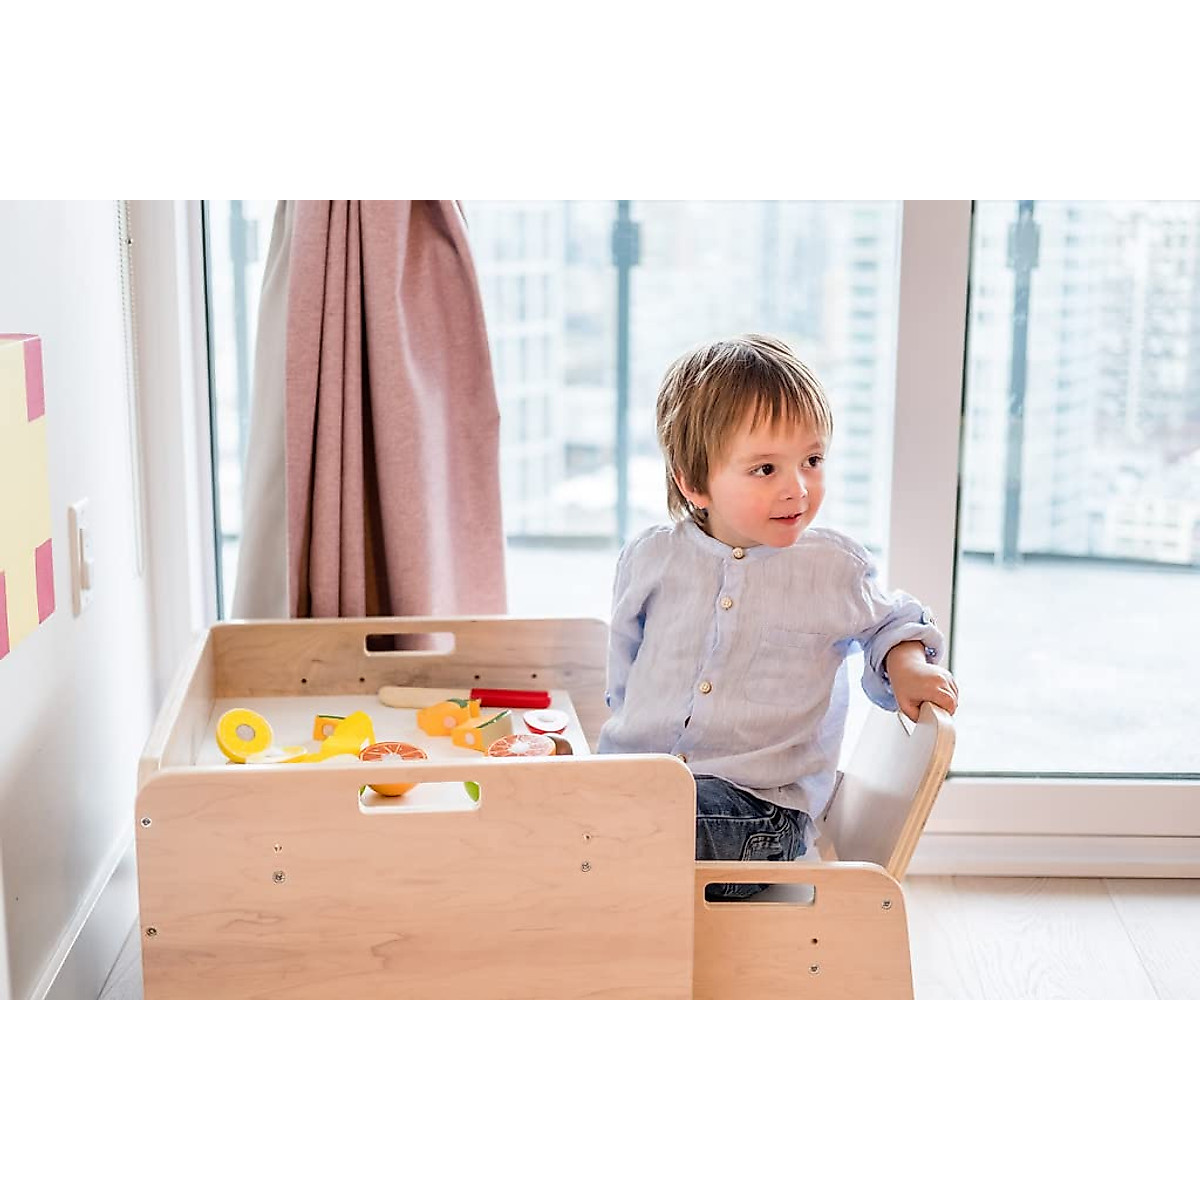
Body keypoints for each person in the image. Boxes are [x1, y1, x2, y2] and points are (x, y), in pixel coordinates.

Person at [597, 334, 959, 899]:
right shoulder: (652, 560)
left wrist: (907, 663)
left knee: (646, 833)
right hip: (636, 785)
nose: (798, 487)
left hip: (759, 813)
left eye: (812, 461)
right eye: (765, 468)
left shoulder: (831, 568)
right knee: (571, 812)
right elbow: (621, 670)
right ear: (693, 483)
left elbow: (893, 620)